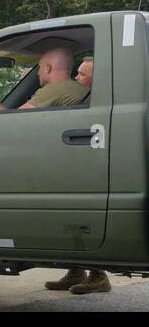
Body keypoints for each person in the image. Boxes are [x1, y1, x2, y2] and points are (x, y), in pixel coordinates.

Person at [42, 56, 109, 294]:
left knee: (83, 218)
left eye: (81, 74)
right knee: (71, 217)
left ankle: (99, 276)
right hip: (76, 164)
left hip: (91, 168)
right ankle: (77, 270)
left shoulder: (98, 101)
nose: (76, 78)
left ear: (95, 79)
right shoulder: (80, 98)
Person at [0, 46, 87, 111]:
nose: (38, 73)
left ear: (48, 68)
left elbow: (12, 121)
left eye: (40, 67)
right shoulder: (77, 88)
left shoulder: (55, 90)